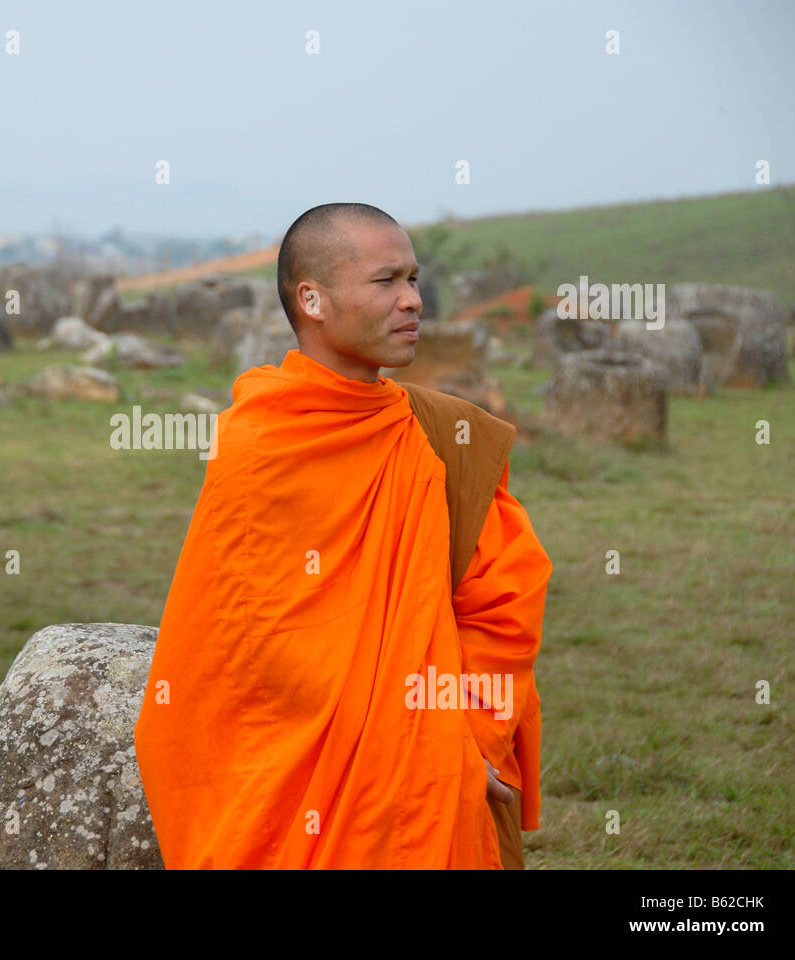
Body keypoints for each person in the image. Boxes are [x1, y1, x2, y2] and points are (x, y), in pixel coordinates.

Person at [132, 203, 552, 868]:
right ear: (313, 299)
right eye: (386, 282)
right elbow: (231, 649)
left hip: (427, 771)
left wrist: (462, 739)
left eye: (414, 280)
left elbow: (503, 598)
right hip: (288, 773)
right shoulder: (259, 442)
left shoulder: (442, 437)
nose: (413, 301)